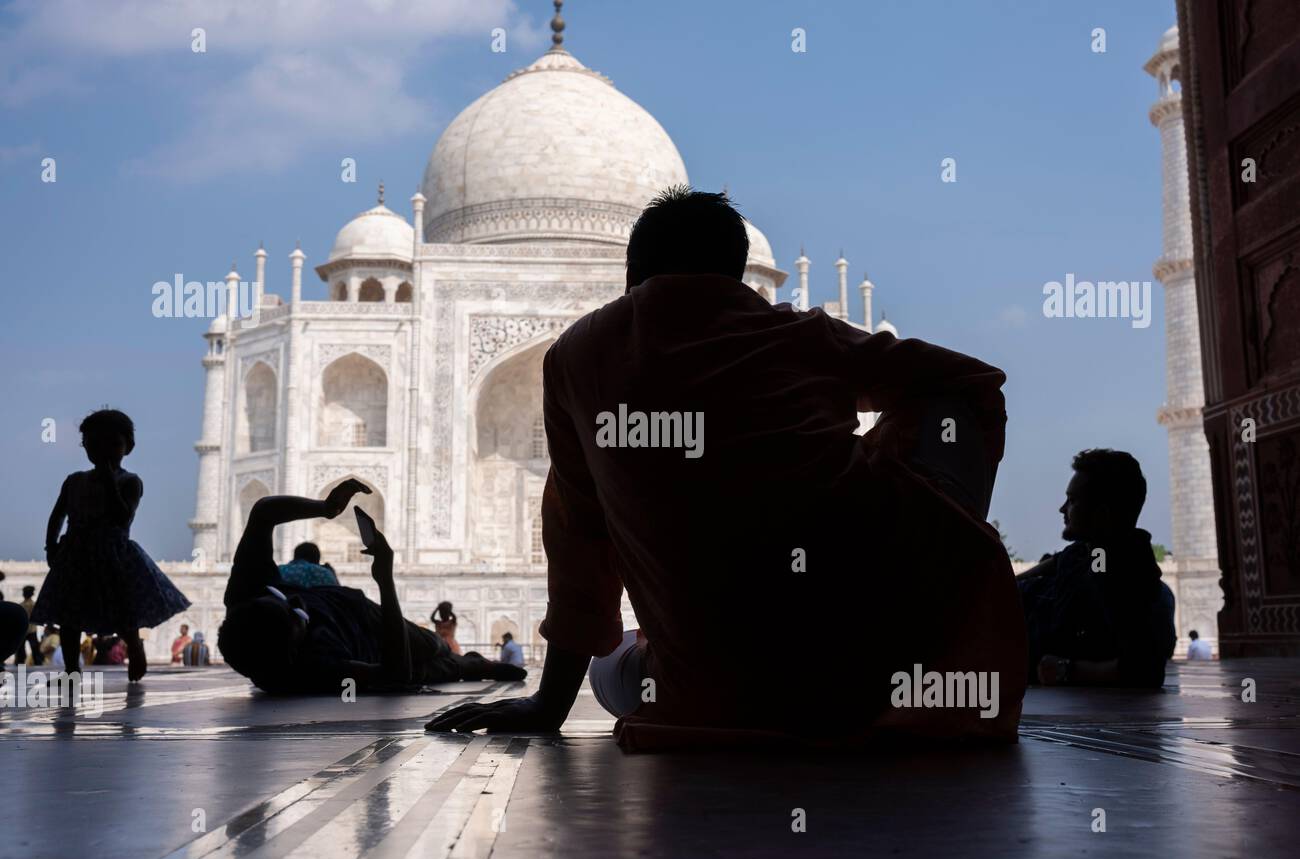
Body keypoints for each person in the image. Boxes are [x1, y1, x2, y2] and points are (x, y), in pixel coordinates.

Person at [427, 187, 1025, 748]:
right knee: (951, 406)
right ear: (741, 277)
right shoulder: (798, 335)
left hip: (704, 698)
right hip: (880, 676)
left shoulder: (577, 357)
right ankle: (933, 603)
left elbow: (579, 538)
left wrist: (547, 707)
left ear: (631, 273)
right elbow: (971, 382)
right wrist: (903, 484)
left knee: (613, 663)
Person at [217, 480, 526, 694]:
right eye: (298, 621)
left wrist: (326, 507)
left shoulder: (245, 589)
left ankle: (466, 661)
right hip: (376, 647)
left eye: (286, 603)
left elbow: (263, 512)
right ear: (293, 651)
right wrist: (385, 580)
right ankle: (474, 665)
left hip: (362, 613)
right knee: (431, 670)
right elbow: (394, 675)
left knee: (435, 646)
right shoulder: (304, 671)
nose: (298, 603)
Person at [31, 409, 191, 681]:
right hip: (75, 556)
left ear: (128, 446)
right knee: (71, 617)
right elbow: (58, 515)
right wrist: (51, 547)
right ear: (86, 447)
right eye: (95, 444)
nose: (103, 451)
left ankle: (135, 647)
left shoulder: (129, 482)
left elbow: (122, 517)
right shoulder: (75, 481)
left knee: (121, 611)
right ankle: (72, 670)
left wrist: (108, 482)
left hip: (113, 555)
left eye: (112, 444)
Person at [1017, 449, 1176, 688]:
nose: (1062, 510)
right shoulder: (1088, 550)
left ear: (1102, 514)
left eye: (1072, 501)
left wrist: (1066, 670)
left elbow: (1145, 670)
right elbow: (1057, 562)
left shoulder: (1125, 576)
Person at [16, 586, 43, 665]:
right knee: (34, 648)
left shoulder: (22, 605)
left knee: (22, 649)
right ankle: (37, 662)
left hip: (25, 629)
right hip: (32, 629)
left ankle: (20, 663)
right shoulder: (33, 604)